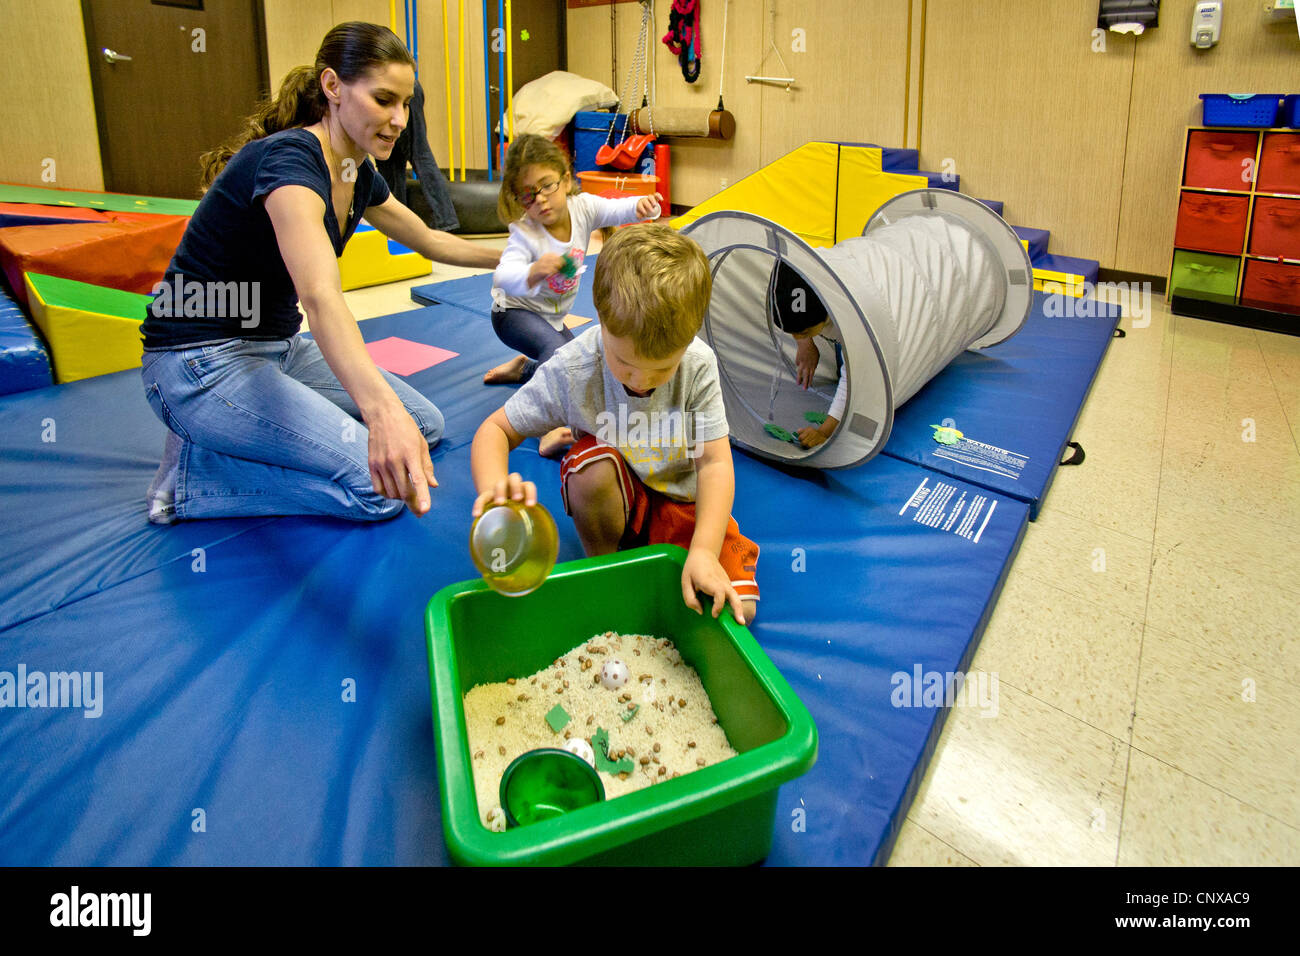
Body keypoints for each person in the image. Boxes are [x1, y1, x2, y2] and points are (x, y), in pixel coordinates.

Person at [139, 21, 500, 525]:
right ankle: (191, 485)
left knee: (422, 423)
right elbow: (321, 297)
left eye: (406, 104)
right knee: (379, 489)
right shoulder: (290, 164)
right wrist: (378, 413)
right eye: (383, 100)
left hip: (275, 349)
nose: (399, 120)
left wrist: (515, 260)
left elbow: (429, 239)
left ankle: (226, 436)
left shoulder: (356, 170)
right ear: (332, 87)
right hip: (198, 360)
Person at [470, 223, 758, 625]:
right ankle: (604, 566)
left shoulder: (698, 363)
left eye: (661, 369)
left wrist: (705, 552)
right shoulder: (574, 365)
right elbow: (496, 430)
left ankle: (570, 436)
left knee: (736, 609)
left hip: (680, 501)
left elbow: (713, 463)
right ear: (600, 321)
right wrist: (494, 493)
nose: (640, 381)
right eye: (624, 364)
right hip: (622, 497)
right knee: (590, 466)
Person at [483, 133, 661, 391]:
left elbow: (615, 208)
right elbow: (502, 276)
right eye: (528, 194)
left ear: (566, 180)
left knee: (580, 362)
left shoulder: (582, 208)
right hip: (512, 314)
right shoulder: (526, 232)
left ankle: (525, 368)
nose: (540, 199)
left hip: (550, 317)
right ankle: (544, 422)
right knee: (557, 353)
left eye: (546, 186)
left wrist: (642, 205)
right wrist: (531, 272)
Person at [770, 260, 845, 448]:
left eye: (803, 332)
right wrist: (805, 342)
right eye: (792, 332)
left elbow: (855, 378)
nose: (795, 336)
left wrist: (824, 432)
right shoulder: (794, 288)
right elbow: (793, 304)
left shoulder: (848, 319)